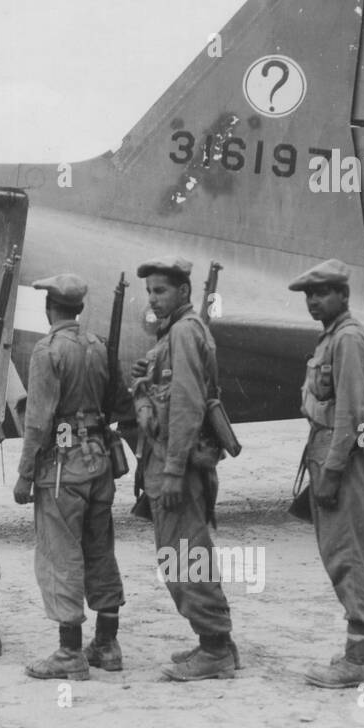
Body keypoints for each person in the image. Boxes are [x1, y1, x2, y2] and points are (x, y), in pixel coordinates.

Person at [13, 275, 130, 680]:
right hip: (99, 464)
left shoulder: (48, 351)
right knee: (100, 549)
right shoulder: (99, 346)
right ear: (77, 309)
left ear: (51, 309)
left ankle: (69, 653)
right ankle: (108, 645)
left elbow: (37, 422)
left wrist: (25, 476)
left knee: (61, 555)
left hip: (63, 470)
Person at [131, 257, 240, 681]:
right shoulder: (176, 333)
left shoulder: (182, 331)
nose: (154, 298)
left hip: (179, 465)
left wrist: (174, 470)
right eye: (150, 291)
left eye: (161, 290)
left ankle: (214, 649)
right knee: (185, 552)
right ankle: (218, 643)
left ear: (184, 292)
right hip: (172, 460)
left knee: (183, 556)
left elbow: (188, 405)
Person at [289, 259, 364, 688]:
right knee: (359, 552)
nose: (314, 301)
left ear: (343, 296)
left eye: (322, 293)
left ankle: (359, 661)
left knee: (346, 555)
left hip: (343, 457)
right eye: (309, 295)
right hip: (340, 452)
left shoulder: (347, 340)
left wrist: (330, 472)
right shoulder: (333, 338)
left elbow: (351, 414)